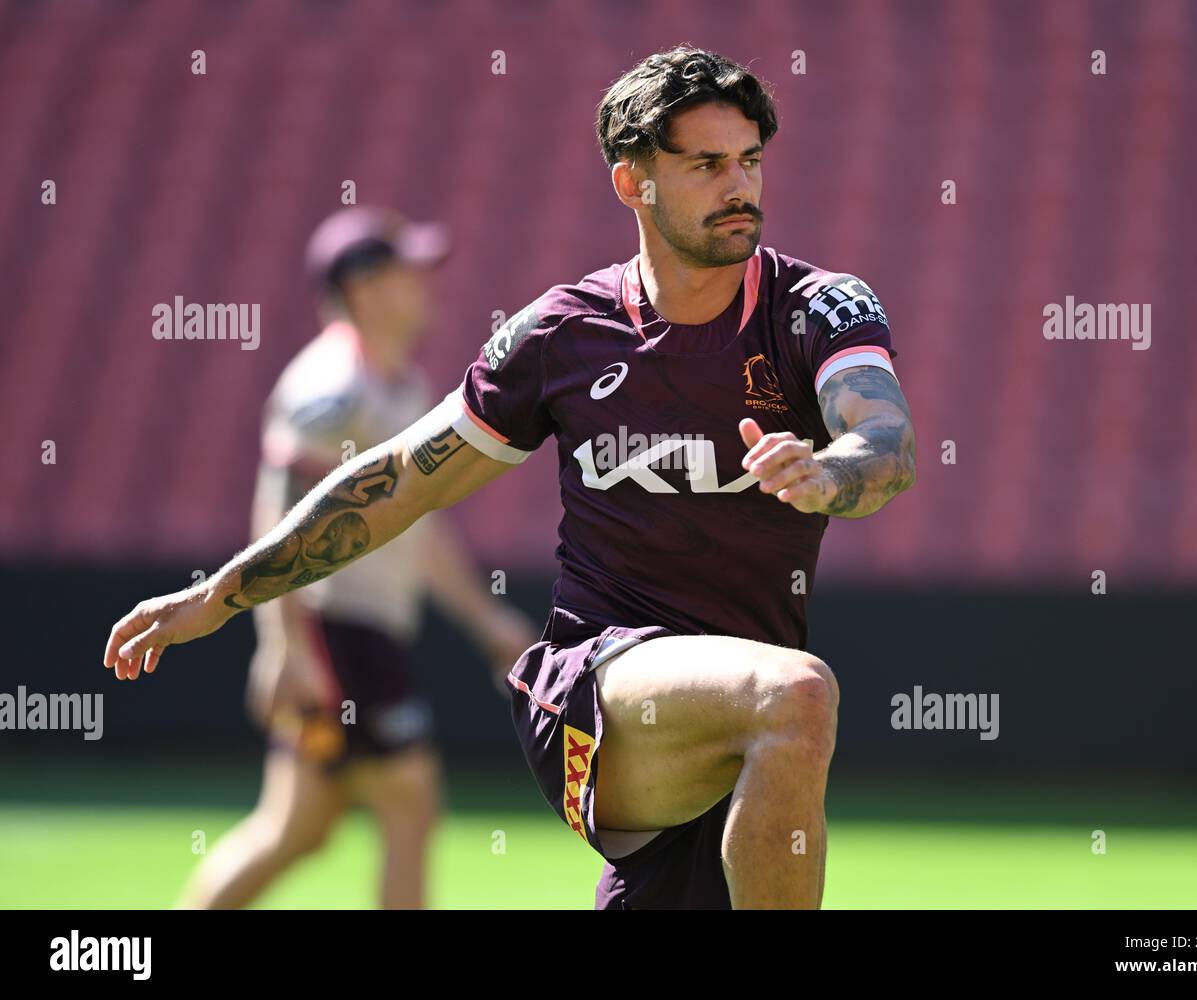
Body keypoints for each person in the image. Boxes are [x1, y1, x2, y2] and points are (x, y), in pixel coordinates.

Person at [104, 46, 916, 910]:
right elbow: (401, 483)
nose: (738, 185)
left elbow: (888, 441)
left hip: (722, 740)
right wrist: (224, 593)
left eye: (749, 159)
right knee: (795, 693)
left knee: (770, 716)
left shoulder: (818, 307)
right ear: (632, 181)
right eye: (705, 163)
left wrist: (828, 472)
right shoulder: (561, 336)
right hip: (595, 692)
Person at [176, 207, 536, 909]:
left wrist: (484, 620)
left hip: (359, 631)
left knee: (296, 830)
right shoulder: (330, 390)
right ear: (365, 287)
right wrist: (283, 647)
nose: (426, 284)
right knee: (410, 805)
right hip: (335, 631)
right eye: (409, 270)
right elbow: (278, 522)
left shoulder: (394, 386)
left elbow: (417, 527)